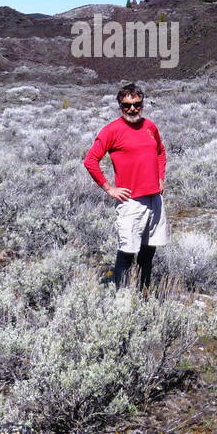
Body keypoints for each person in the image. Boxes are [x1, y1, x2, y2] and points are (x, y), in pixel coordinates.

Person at [83, 83, 168, 291]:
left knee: (148, 251)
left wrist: (161, 178)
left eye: (137, 104)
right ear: (120, 105)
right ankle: (122, 300)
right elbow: (90, 160)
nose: (132, 109)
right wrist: (109, 188)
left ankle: (144, 291)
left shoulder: (150, 126)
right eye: (127, 105)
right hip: (130, 202)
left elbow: (160, 152)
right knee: (127, 252)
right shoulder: (111, 130)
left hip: (154, 199)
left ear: (142, 104)